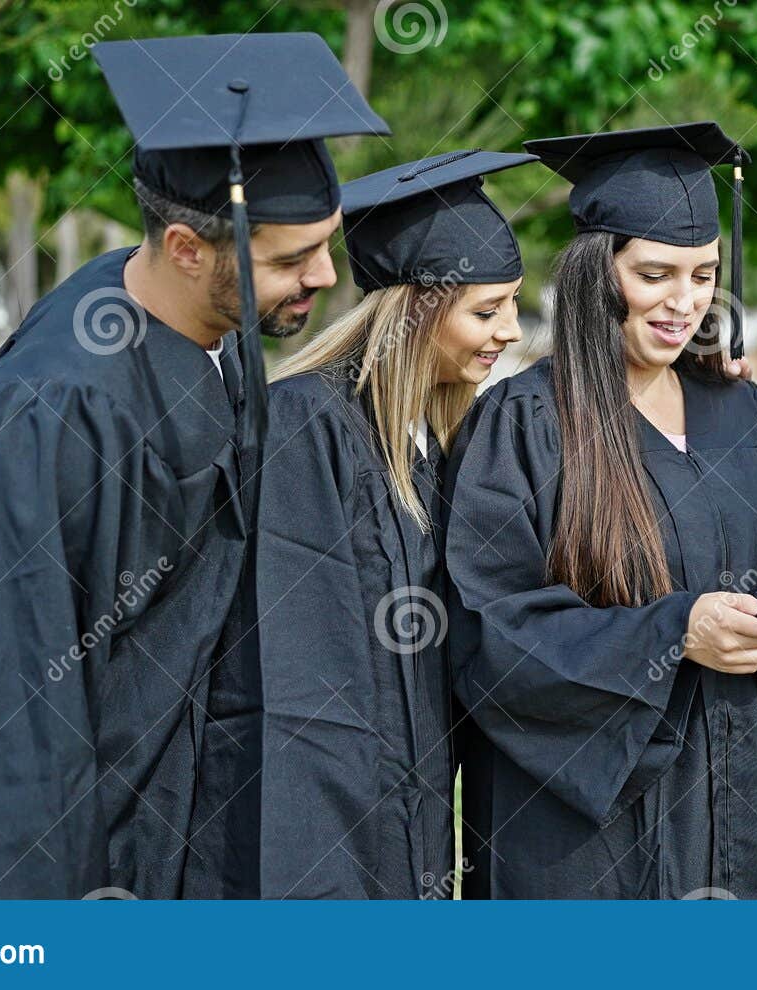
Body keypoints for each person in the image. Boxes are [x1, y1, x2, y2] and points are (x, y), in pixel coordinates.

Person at [0, 33, 389, 899]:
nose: (324, 276)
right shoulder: (53, 408)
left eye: (325, 244)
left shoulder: (216, 333)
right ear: (189, 246)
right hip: (91, 852)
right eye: (290, 259)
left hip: (187, 814)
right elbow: (8, 705)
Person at [445, 122, 757, 899]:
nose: (685, 301)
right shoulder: (527, 421)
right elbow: (492, 627)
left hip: (729, 793)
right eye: (657, 274)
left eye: (703, 275)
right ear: (600, 275)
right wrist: (674, 632)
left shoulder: (743, 414)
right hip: (580, 827)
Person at [253, 150, 532, 899]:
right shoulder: (308, 424)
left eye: (511, 302)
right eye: (486, 309)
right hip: (338, 837)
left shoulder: (430, 437)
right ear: (413, 309)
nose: (510, 328)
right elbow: (303, 691)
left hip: (415, 817)